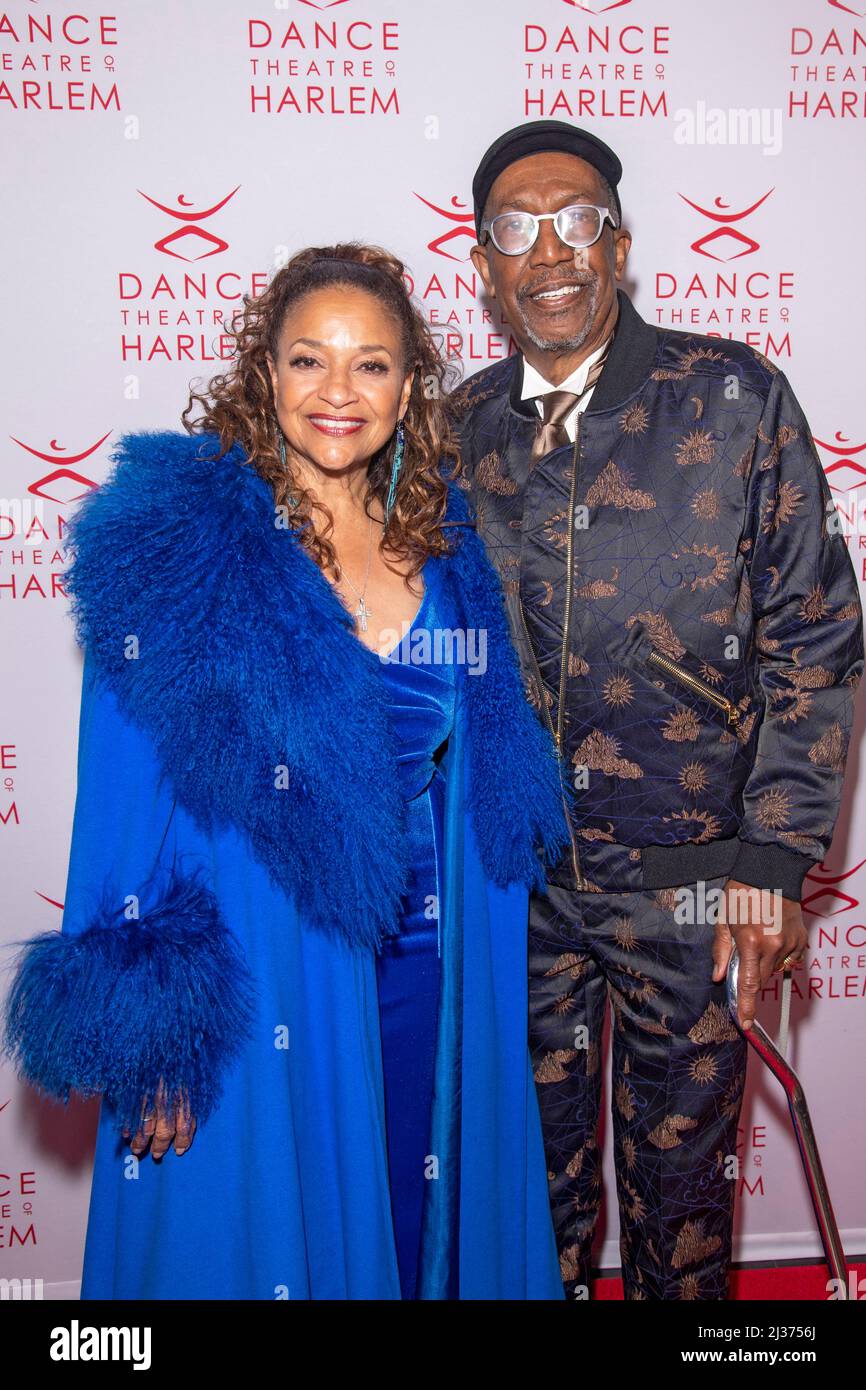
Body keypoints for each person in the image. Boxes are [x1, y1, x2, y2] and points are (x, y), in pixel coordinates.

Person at [1, 243, 570, 1301]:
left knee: (422, 1219)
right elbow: (124, 806)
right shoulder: (175, 545)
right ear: (264, 373)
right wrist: (148, 1022)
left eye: (372, 365)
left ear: (410, 386)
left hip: (432, 966)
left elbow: (472, 767)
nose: (338, 393)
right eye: (309, 360)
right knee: (274, 1238)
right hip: (268, 957)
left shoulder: (442, 541)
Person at [450, 119, 864, 1300]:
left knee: (682, 1220)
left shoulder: (732, 399)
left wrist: (775, 862)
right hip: (509, 890)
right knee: (524, 1209)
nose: (550, 252)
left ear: (617, 243)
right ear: (483, 264)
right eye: (516, 231)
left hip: (691, 889)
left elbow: (814, 638)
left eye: (576, 219)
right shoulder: (451, 431)